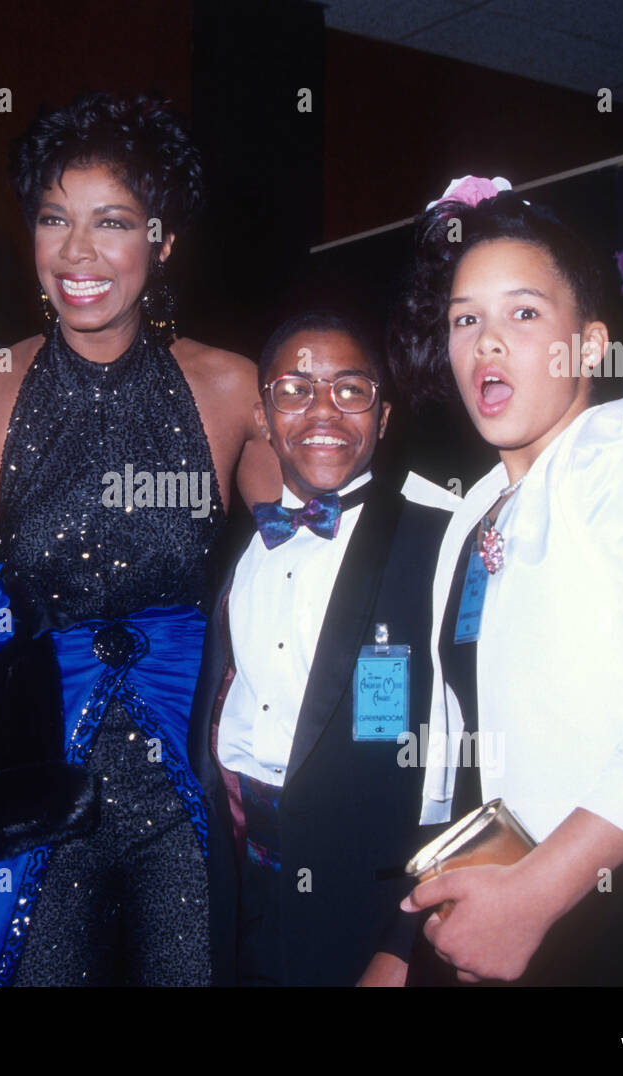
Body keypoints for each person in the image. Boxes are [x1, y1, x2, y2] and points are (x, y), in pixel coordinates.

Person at [0, 91, 280, 985]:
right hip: (39, 783)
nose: (76, 252)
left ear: (162, 242)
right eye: (54, 219)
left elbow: (309, 572)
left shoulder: (234, 388)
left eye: (111, 222)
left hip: (190, 782)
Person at [390, 177, 623, 985]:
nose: (487, 343)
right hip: (514, 910)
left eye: (524, 314)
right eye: (465, 319)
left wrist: (537, 893)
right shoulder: (476, 509)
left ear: (590, 346)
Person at [188, 311, 456, 987]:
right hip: (245, 891)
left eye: (350, 389)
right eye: (295, 390)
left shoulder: (438, 545)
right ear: (262, 415)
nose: (323, 410)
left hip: (369, 906)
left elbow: (458, 772)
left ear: (383, 416)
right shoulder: (241, 554)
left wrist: (404, 941)